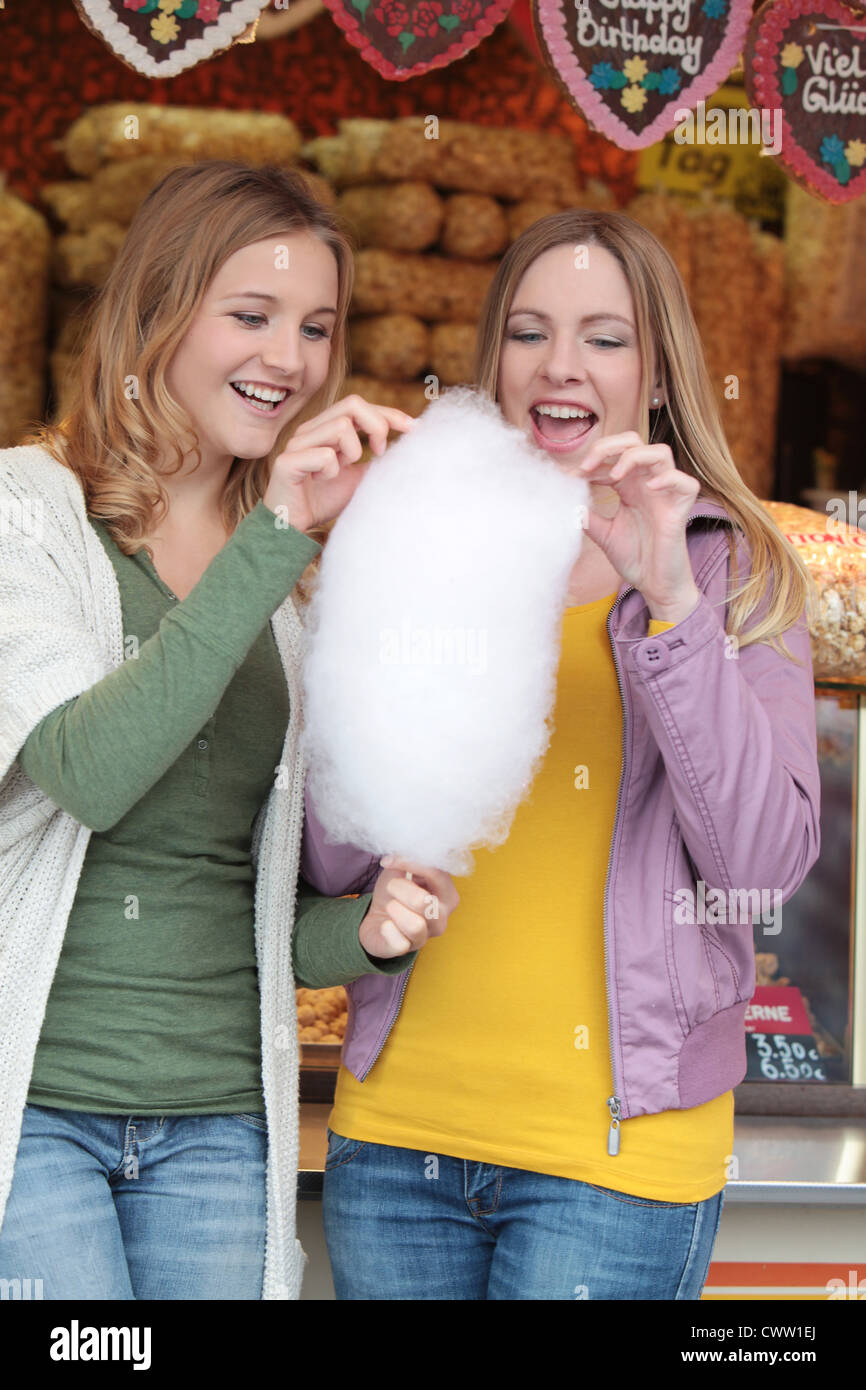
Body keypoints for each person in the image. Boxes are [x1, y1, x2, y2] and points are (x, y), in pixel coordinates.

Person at [301, 209, 822, 1301]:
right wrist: (343, 578)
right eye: (528, 331)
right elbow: (333, 861)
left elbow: (758, 868)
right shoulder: (424, 537)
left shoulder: (736, 574)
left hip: (613, 1166)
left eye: (603, 336)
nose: (559, 364)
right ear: (494, 360)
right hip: (400, 1137)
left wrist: (666, 603)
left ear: (660, 374)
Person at [0, 161, 458, 1301]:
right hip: (34, 1111)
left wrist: (367, 932)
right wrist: (280, 538)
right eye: (249, 315)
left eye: (314, 326)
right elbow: (88, 771)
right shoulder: (29, 511)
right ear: (157, 312)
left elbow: (237, 904)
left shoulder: (294, 571)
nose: (287, 358)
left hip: (217, 1126)